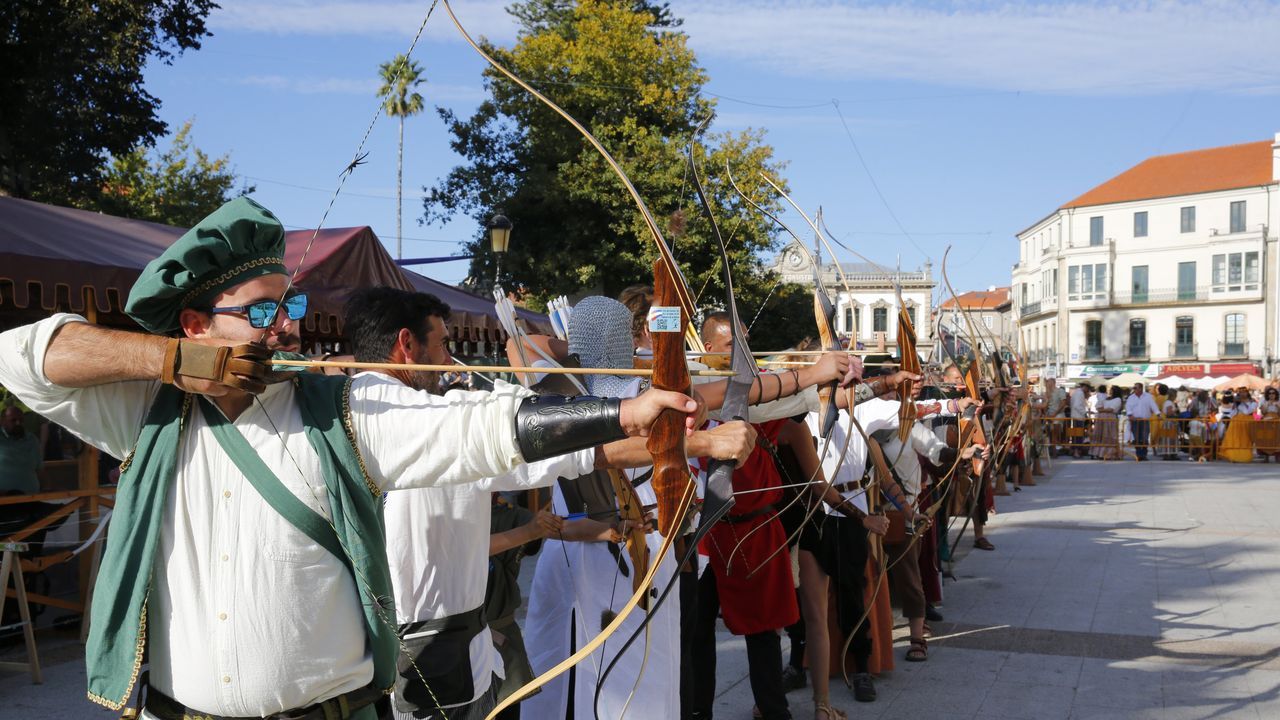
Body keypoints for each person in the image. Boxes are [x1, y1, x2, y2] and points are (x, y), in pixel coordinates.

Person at [0, 198, 697, 719]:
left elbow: (479, 428)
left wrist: (628, 411)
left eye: (292, 304)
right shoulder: (147, 413)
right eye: (265, 310)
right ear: (194, 325)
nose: (292, 324)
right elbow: (20, 357)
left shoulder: (343, 409)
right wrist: (167, 361)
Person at [341, 287, 751, 720]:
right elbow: (572, 449)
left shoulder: (338, 415)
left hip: (419, 647)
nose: (448, 360)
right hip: (429, 652)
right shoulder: (437, 426)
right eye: (442, 344)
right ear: (407, 346)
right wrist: (701, 441)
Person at [0, 406, 42, 495]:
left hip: (31, 498)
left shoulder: (32, 439)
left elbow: (40, 469)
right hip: (3, 500)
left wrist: (46, 490)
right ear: (2, 421)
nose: (18, 423)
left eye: (21, 420)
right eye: (13, 420)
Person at [1220, 387, 1257, 463]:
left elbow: (1247, 412)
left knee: (1245, 440)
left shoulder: (1253, 402)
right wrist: (1235, 405)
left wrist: (1242, 403)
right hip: (1235, 422)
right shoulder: (1236, 402)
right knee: (1234, 439)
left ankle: (1244, 456)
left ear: (1247, 393)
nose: (1242, 393)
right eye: (1240, 392)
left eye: (1244, 392)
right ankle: (1233, 455)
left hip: (1247, 423)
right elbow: (1232, 413)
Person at [1125, 382, 1160, 462]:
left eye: (1136, 388)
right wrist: (1130, 415)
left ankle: (1144, 454)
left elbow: (1153, 405)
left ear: (1141, 388)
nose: (1134, 389)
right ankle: (1139, 454)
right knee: (1137, 438)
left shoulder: (1148, 397)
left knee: (1144, 437)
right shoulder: (1131, 398)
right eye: (1134, 388)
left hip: (1144, 420)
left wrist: (1158, 414)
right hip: (1135, 420)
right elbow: (1128, 406)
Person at [1256, 387, 1280, 461]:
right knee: (1266, 438)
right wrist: (1267, 405)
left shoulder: (1278, 402)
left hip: (1276, 420)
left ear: (1276, 394)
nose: (1271, 395)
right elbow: (1263, 412)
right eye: (1270, 393)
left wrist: (1278, 406)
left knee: (1277, 439)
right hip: (1266, 421)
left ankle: (1277, 456)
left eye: (1273, 393)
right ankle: (1266, 456)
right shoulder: (1264, 402)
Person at [1068, 383, 1090, 457]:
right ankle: (1076, 452)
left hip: (1074, 416)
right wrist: (1085, 413)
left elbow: (1073, 404)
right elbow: (1077, 405)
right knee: (1078, 436)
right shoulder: (1080, 393)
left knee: (1075, 435)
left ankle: (1073, 450)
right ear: (1085, 387)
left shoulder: (1075, 393)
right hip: (1079, 417)